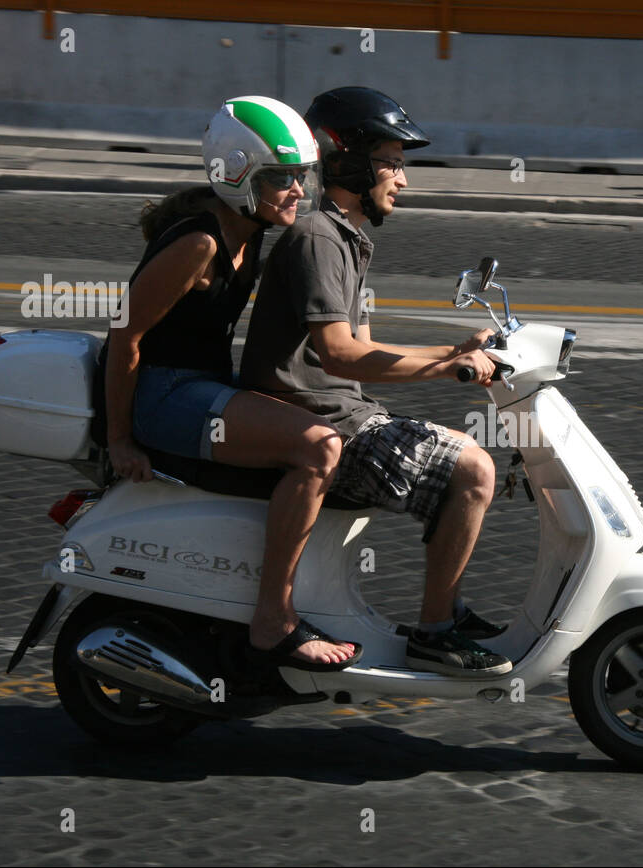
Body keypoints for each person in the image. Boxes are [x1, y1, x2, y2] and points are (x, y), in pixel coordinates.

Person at [240, 87, 513, 678]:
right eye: (391, 163)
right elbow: (340, 355)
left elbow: (364, 347)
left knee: (467, 456)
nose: (402, 179)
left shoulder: (346, 237)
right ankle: (435, 632)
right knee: (473, 468)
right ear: (350, 164)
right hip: (317, 418)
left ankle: (446, 613)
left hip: (341, 411)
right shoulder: (318, 238)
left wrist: (455, 351)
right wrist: (447, 367)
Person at [101, 95, 359, 672]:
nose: (297, 191)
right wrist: (120, 439)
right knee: (319, 448)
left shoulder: (250, 229)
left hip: (204, 387)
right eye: (281, 178)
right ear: (238, 174)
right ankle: (272, 620)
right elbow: (125, 336)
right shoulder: (200, 243)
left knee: (323, 423)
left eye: (300, 176)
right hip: (165, 396)